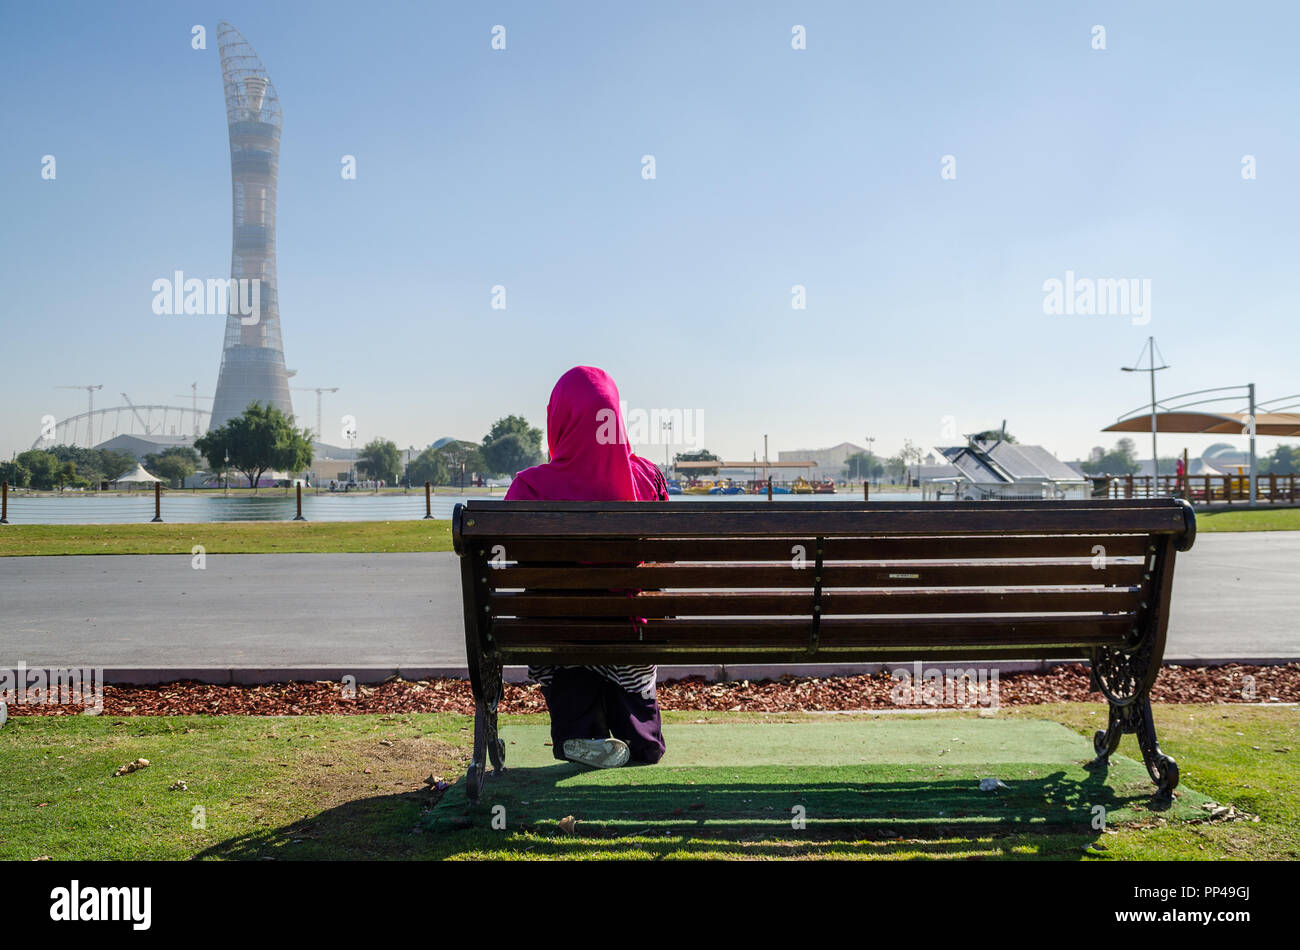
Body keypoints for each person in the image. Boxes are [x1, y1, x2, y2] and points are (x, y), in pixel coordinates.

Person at [505, 366, 668, 769]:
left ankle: (579, 732)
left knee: (562, 627)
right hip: (631, 638)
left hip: (560, 637)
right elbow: (665, 559)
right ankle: (640, 739)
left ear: (558, 419)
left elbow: (505, 555)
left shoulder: (530, 488)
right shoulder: (648, 479)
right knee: (646, 750)